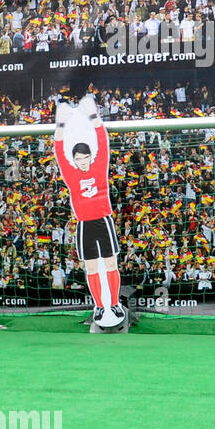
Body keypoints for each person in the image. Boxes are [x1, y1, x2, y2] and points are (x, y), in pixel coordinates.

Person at [54, 95, 127, 330]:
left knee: (111, 263)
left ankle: (114, 303)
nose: (83, 162)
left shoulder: (98, 166)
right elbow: (58, 152)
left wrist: (94, 116)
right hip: (84, 224)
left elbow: (103, 142)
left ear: (89, 157)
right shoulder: (72, 174)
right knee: (92, 267)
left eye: (85, 158)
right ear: (75, 160)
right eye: (79, 159)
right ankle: (99, 306)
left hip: (104, 221)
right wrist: (60, 125)